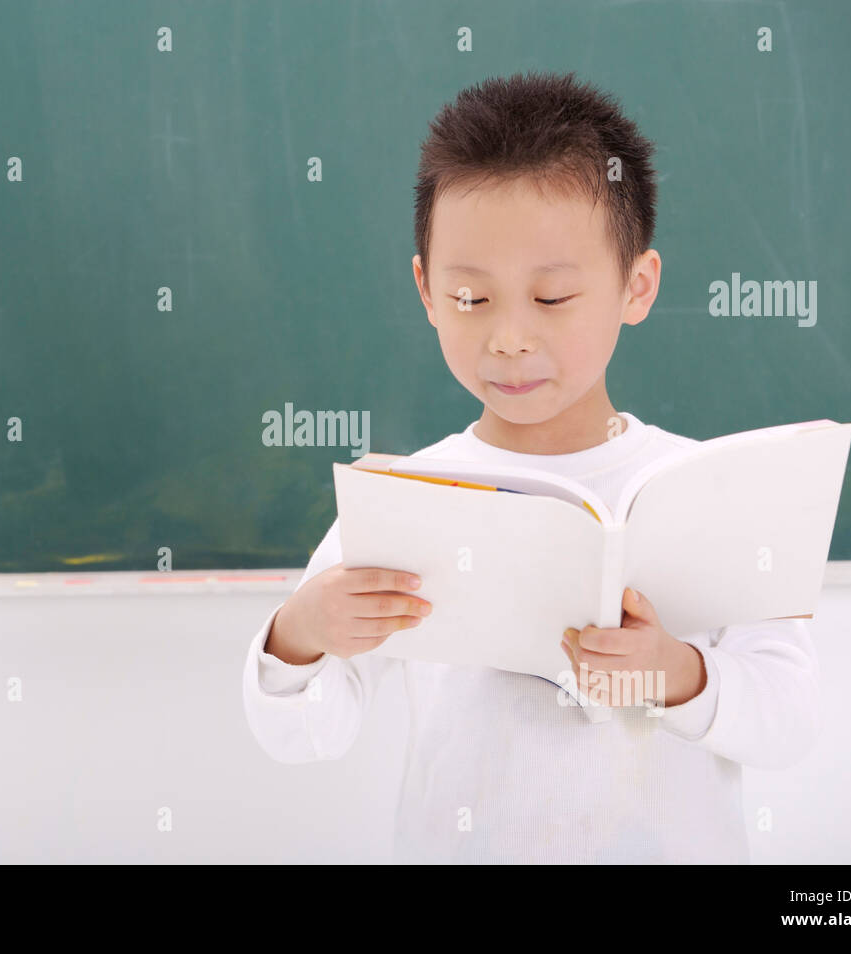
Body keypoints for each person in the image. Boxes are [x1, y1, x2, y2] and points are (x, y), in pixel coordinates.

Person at [241, 71, 821, 863]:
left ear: (636, 286)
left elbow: (788, 719)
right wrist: (301, 632)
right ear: (426, 291)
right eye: (472, 299)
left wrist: (677, 674)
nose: (508, 337)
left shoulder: (711, 491)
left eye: (551, 298)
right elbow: (302, 733)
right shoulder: (407, 499)